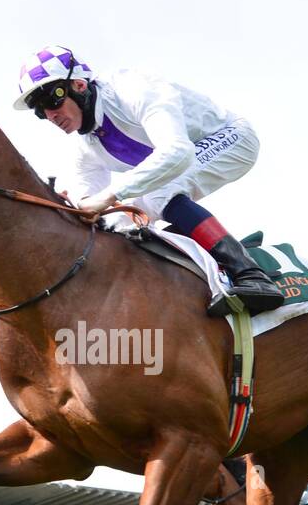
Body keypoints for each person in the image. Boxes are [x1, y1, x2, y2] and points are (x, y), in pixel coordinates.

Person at [14, 45, 284, 317]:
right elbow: (90, 208)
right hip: (188, 159)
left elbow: (177, 152)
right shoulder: (86, 147)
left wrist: (108, 196)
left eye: (51, 100)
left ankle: (250, 275)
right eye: (39, 110)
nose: (49, 115)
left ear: (79, 85)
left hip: (232, 137)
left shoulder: (132, 88)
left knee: (157, 194)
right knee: (120, 222)